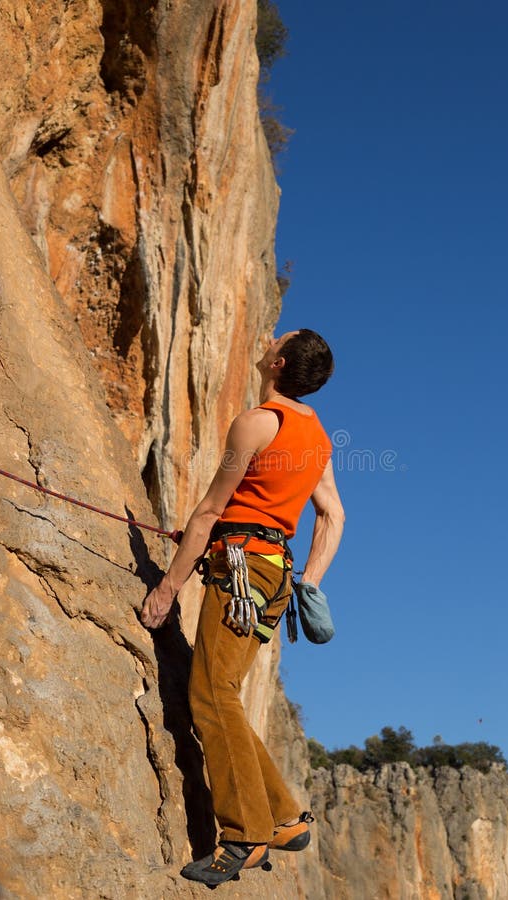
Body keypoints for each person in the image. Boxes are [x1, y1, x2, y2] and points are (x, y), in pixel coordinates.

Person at [141, 329, 344, 886]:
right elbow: (333, 515)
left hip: (241, 568)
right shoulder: (317, 437)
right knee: (224, 694)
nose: (270, 336)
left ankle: (244, 836)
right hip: (274, 576)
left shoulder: (258, 423)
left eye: (280, 337)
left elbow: (210, 510)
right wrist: (310, 583)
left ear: (277, 363)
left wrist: (166, 588)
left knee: (209, 695)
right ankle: (280, 815)